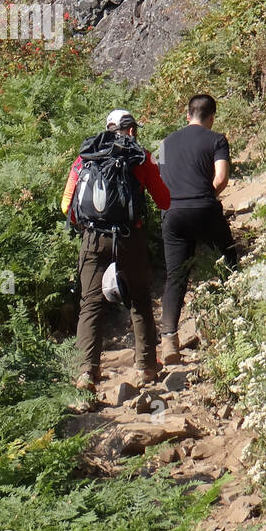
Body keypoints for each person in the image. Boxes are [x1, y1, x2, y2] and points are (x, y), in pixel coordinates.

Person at [61, 109, 170, 395]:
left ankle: (87, 375)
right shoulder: (142, 157)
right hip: (129, 237)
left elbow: (66, 206)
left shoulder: (86, 156)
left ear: (107, 129)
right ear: (131, 130)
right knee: (139, 299)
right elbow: (164, 200)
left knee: (91, 305)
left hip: (93, 239)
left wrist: (88, 226)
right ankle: (146, 367)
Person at [157, 93, 239, 364]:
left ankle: (169, 340)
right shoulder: (216, 139)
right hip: (204, 208)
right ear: (212, 117)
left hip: (173, 213)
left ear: (187, 113)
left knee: (175, 276)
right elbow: (221, 178)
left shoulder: (165, 143)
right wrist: (204, 197)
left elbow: (160, 182)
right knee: (229, 260)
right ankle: (238, 320)